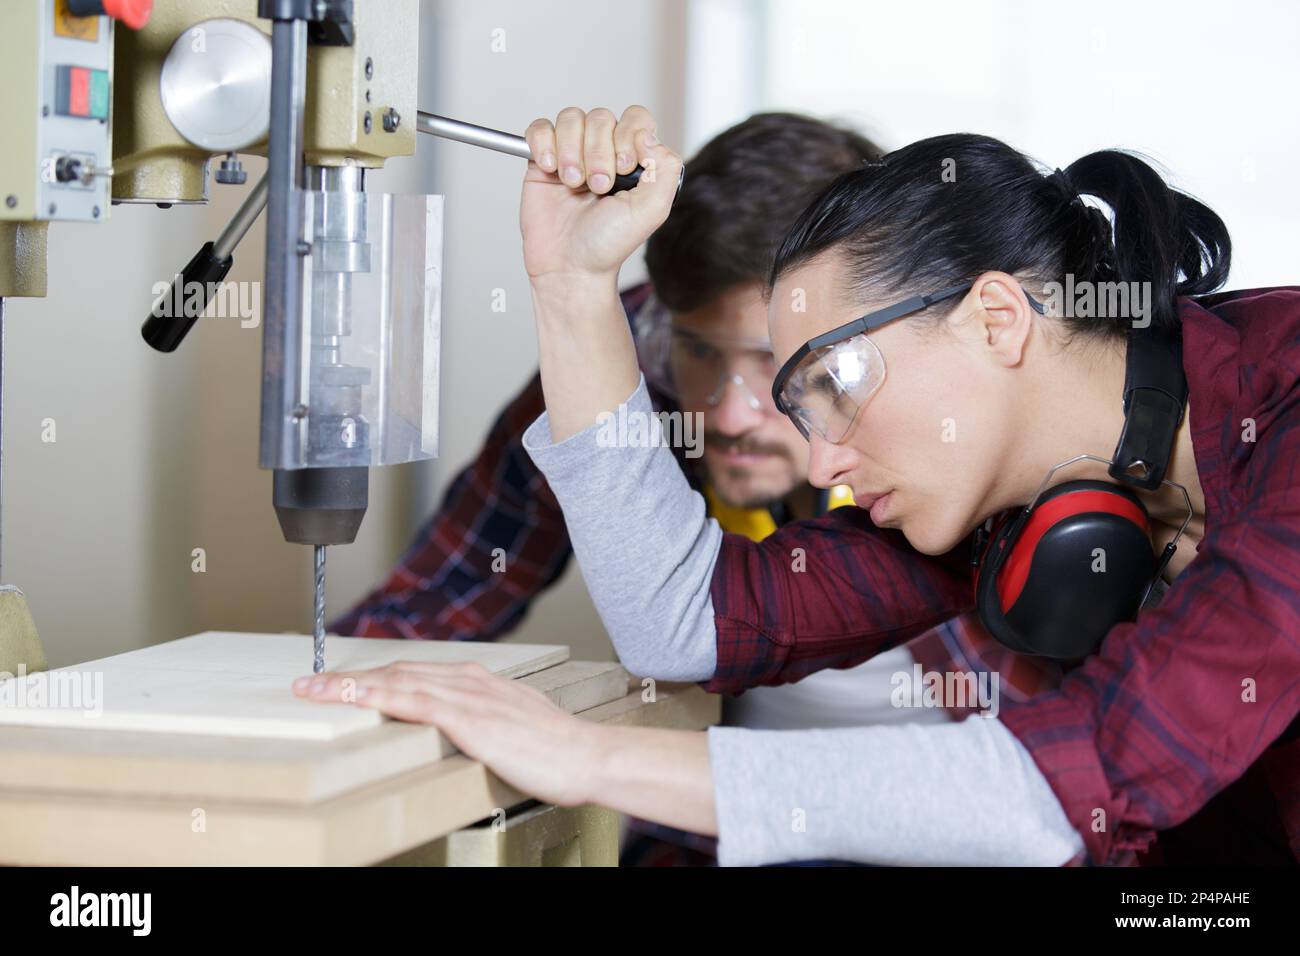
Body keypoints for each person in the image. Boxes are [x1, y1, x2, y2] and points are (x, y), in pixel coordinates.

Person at [298, 107, 1300, 866]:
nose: (818, 464)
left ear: (996, 321)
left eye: (837, 382)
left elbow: (1061, 781)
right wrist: (572, 290)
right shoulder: (989, 494)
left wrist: (587, 757)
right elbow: (690, 619)